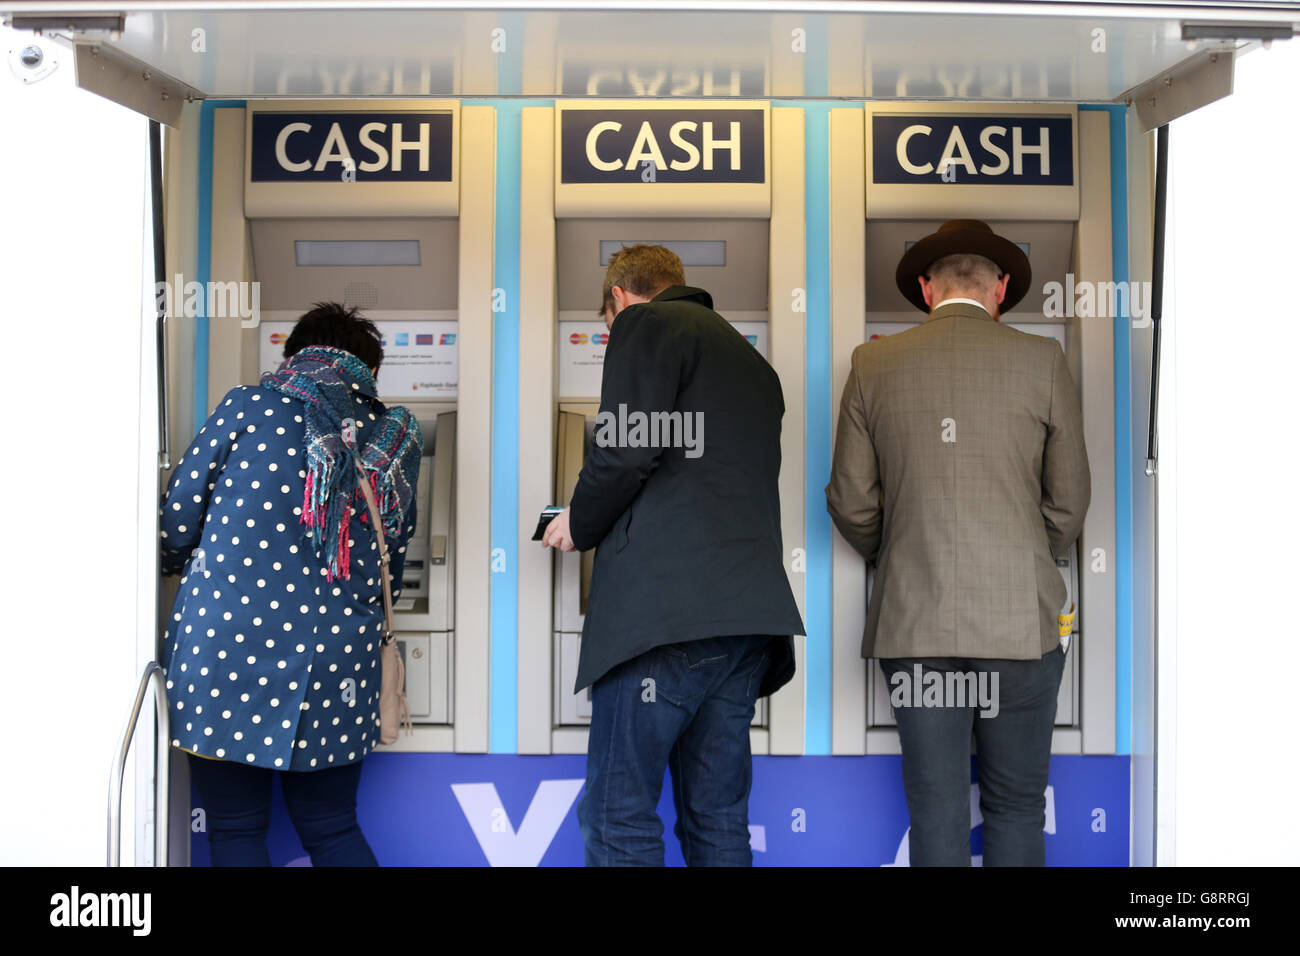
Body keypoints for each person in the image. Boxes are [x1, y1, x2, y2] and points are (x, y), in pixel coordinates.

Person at [825, 219, 1091, 866]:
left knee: (936, 809)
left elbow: (851, 501)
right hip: (1021, 628)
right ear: (1001, 287)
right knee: (1017, 806)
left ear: (924, 287)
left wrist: (906, 554)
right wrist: (1025, 553)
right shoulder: (1043, 361)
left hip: (917, 626)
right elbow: (1069, 502)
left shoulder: (872, 362)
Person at [542, 243, 805, 867]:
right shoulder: (750, 360)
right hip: (746, 625)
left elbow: (626, 449)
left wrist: (577, 521)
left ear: (618, 299)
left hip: (664, 622)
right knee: (716, 819)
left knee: (618, 815)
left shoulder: (646, 323)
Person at [159, 302, 423, 866]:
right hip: (339, 659)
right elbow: (390, 565)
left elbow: (179, 518)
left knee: (234, 831)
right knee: (331, 829)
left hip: (229, 651)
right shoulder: (394, 435)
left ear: (295, 353)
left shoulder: (251, 406)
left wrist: (179, 562)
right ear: (368, 369)